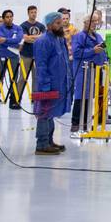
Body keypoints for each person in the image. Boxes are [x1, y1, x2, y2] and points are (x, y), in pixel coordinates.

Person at [30, 12, 70, 155]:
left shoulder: (59, 39)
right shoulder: (43, 41)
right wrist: (46, 86)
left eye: (61, 22)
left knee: (50, 113)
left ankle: (49, 141)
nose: (61, 25)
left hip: (58, 84)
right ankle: (41, 145)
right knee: (44, 114)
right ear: (49, 25)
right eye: (57, 23)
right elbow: (41, 65)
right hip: (47, 85)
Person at [69, 11, 106, 136]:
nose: (95, 23)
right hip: (82, 70)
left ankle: (86, 122)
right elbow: (76, 53)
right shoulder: (79, 36)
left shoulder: (98, 36)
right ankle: (75, 123)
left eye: (96, 21)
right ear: (85, 23)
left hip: (95, 70)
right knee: (81, 94)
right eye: (92, 21)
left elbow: (103, 51)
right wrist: (93, 51)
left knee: (90, 96)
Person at [0, 10, 25, 111]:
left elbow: (19, 40)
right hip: (1, 56)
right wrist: (12, 41)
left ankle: (14, 102)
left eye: (11, 16)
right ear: (3, 18)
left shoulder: (18, 28)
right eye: (7, 17)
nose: (9, 18)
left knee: (14, 79)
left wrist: (6, 40)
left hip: (14, 56)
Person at [19, 5, 45, 100]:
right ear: (28, 13)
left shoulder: (41, 26)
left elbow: (43, 38)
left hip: (38, 55)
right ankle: (18, 97)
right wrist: (37, 37)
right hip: (26, 54)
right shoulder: (23, 25)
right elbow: (25, 39)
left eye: (35, 12)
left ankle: (35, 98)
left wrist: (31, 37)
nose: (34, 14)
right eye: (32, 12)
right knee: (22, 77)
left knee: (36, 78)